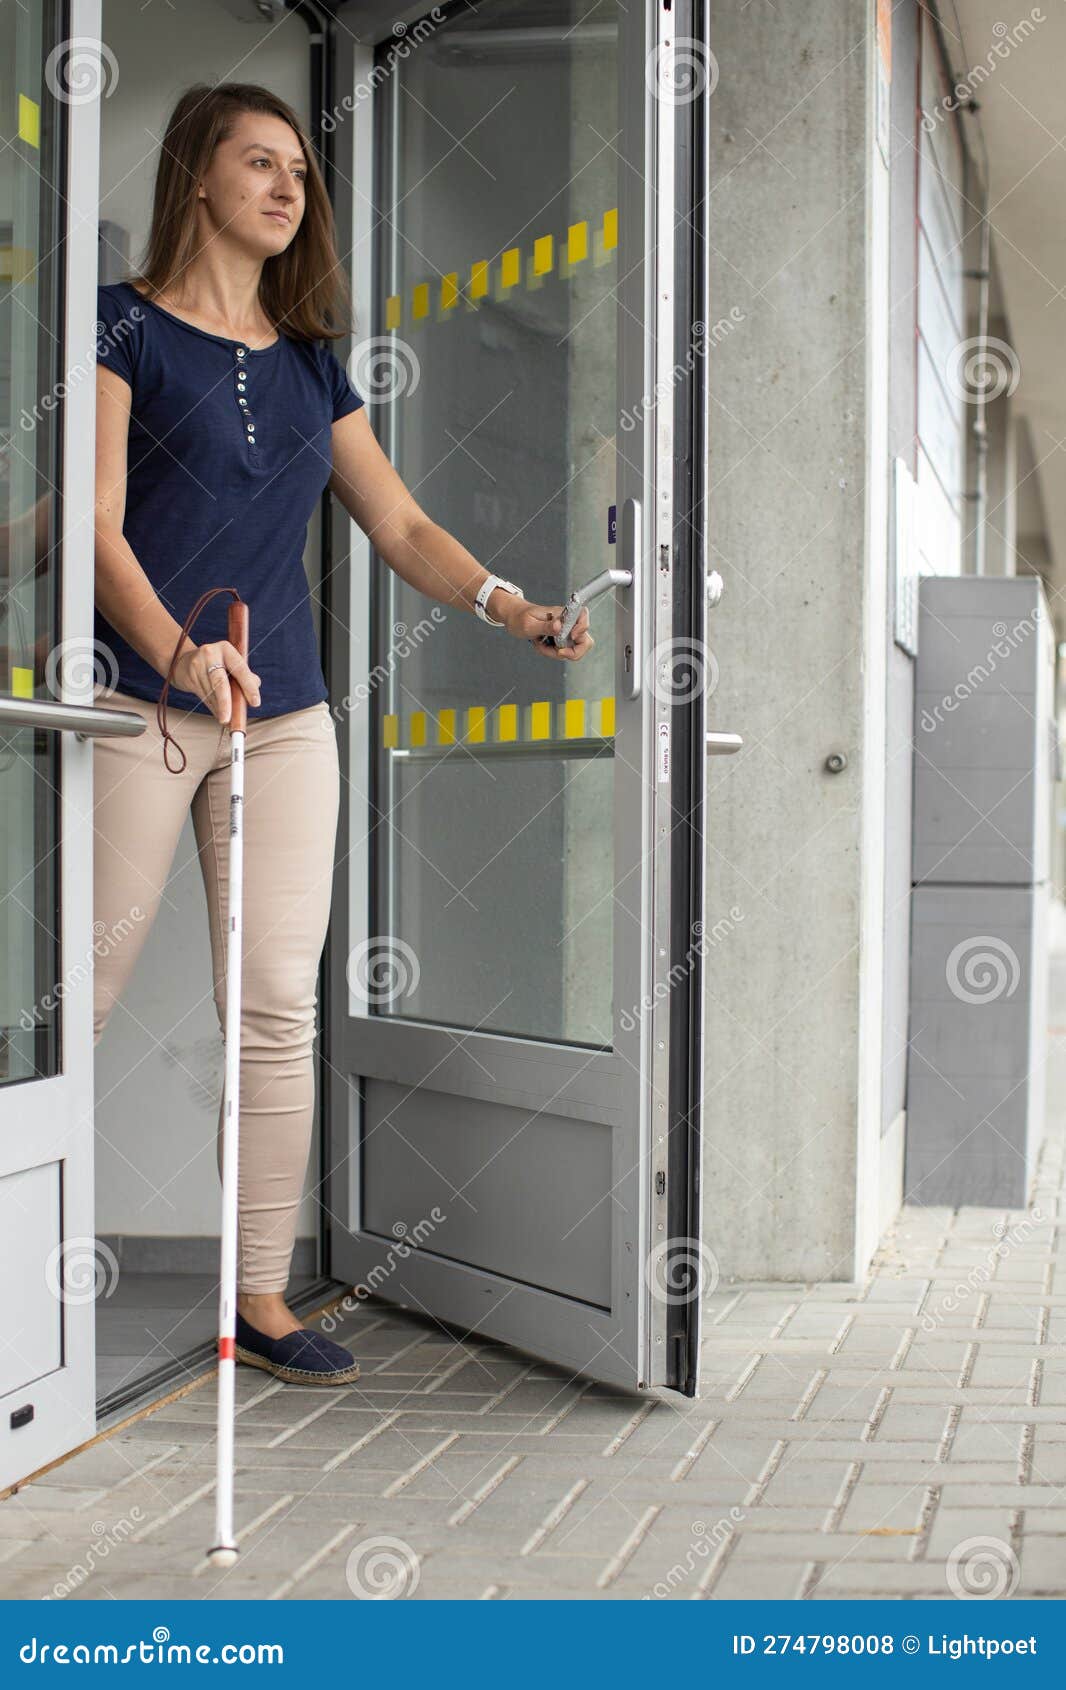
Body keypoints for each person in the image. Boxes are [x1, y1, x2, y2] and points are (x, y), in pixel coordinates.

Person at [92, 81, 593, 1388]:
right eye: (258, 162)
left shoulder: (312, 360)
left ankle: (258, 1298)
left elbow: (402, 524)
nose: (285, 187)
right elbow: (94, 524)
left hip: (285, 722)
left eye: (299, 172)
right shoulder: (119, 326)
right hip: (142, 703)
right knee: (73, 996)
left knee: (273, 1009)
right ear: (196, 175)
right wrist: (178, 650)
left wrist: (508, 605)